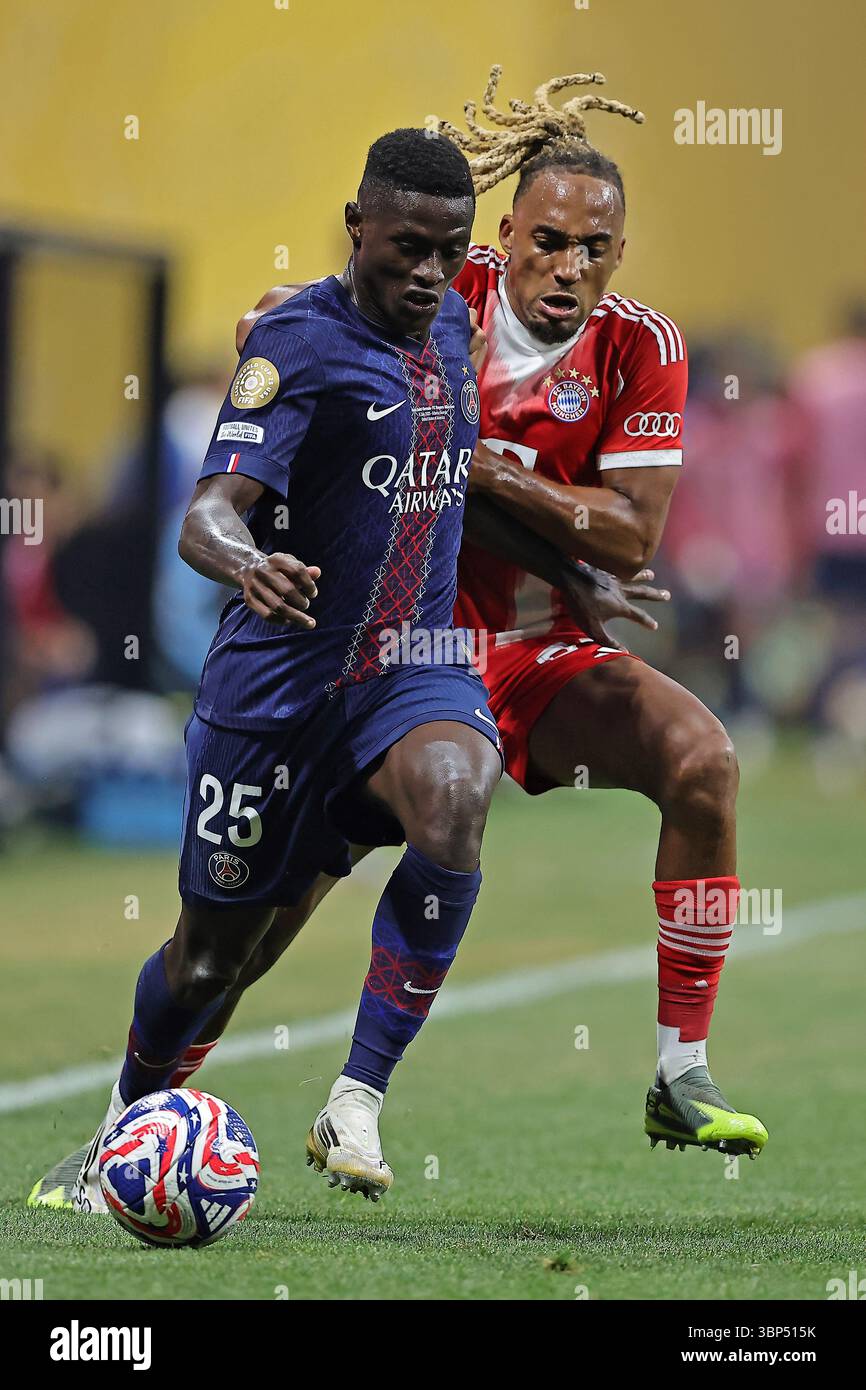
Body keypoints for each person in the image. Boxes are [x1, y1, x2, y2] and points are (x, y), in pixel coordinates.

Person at [176, 69, 769, 1166]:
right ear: (508, 233)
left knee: (702, 760)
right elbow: (310, 337)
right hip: (395, 652)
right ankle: (141, 1110)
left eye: (594, 250)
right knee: (246, 934)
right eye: (547, 241)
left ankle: (676, 1072)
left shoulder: (642, 347)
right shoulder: (440, 287)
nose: (568, 268)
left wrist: (478, 469)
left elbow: (627, 536)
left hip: (538, 654)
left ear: (620, 257)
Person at [31, 128, 509, 1215]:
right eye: (404, 248)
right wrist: (251, 563)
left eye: (448, 249)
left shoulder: (456, 326)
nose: (427, 273)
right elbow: (205, 513)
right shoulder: (293, 343)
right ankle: (120, 1127)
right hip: (275, 697)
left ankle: (356, 1096)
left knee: (455, 795)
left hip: (406, 674)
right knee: (217, 965)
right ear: (356, 228)